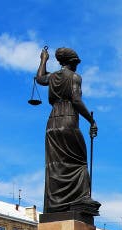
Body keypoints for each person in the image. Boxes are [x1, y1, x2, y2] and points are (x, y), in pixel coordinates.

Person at [35, 46, 100, 215]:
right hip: (69, 120)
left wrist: (43, 59)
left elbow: (40, 78)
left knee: (55, 165)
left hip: (52, 124)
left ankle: (55, 203)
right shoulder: (75, 77)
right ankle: (82, 197)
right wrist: (91, 120)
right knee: (79, 161)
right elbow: (76, 100)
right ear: (72, 63)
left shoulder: (53, 76)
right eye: (76, 63)